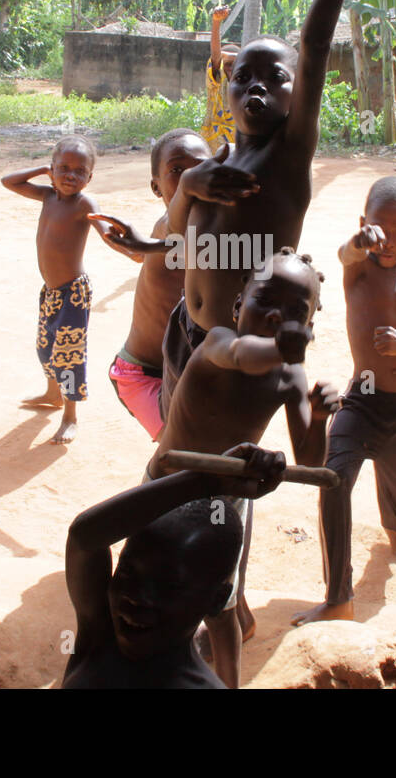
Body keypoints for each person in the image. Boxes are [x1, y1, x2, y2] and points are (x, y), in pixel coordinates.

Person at [159, 0, 392, 420]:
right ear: (226, 88)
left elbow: (314, 44)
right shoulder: (218, 162)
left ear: (296, 95)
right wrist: (186, 188)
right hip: (186, 333)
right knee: (178, 452)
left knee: (213, 458)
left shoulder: (287, 156)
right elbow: (179, 238)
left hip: (242, 353)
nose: (255, 88)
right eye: (243, 77)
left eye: (275, 78)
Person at [145, 247, 341, 687]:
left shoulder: (290, 377)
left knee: (221, 606)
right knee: (149, 581)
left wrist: (319, 418)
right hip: (166, 486)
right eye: (265, 300)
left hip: (225, 502)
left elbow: (310, 460)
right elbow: (241, 355)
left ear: (310, 325)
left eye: (296, 312)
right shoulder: (218, 342)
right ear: (238, 305)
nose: (276, 316)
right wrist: (280, 347)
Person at [292, 176, 396, 626]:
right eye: (381, 228)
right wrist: (357, 243)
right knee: (333, 482)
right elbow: (345, 254)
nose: (390, 240)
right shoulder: (358, 270)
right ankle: (337, 596)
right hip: (361, 402)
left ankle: (394, 527)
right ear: (364, 223)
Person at [63, 443, 286, 689]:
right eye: (127, 573)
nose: (137, 597)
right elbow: (83, 537)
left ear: (217, 599)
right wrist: (204, 482)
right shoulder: (101, 633)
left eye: (166, 586)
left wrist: (203, 483)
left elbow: (84, 536)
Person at [1, 135, 137, 444]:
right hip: (50, 291)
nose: (70, 176)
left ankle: (70, 416)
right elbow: (8, 181)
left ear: (90, 177)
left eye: (79, 171)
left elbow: (106, 233)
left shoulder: (84, 204)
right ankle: (53, 394)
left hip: (73, 293)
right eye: (63, 168)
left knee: (68, 356)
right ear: (52, 169)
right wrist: (42, 170)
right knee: (45, 347)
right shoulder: (48, 196)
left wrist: (132, 252)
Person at [89, 129, 211, 440]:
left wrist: (139, 248)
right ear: (156, 187)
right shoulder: (167, 225)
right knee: (181, 443)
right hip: (144, 373)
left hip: (188, 371)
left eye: (200, 167)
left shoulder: (216, 227)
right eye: (177, 170)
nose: (190, 178)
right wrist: (145, 246)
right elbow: (178, 239)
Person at [201, 5, 238, 153]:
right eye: (228, 64)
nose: (230, 69)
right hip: (213, 143)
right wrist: (216, 23)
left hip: (236, 144)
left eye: (235, 65)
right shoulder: (217, 79)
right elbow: (216, 56)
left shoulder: (246, 84)